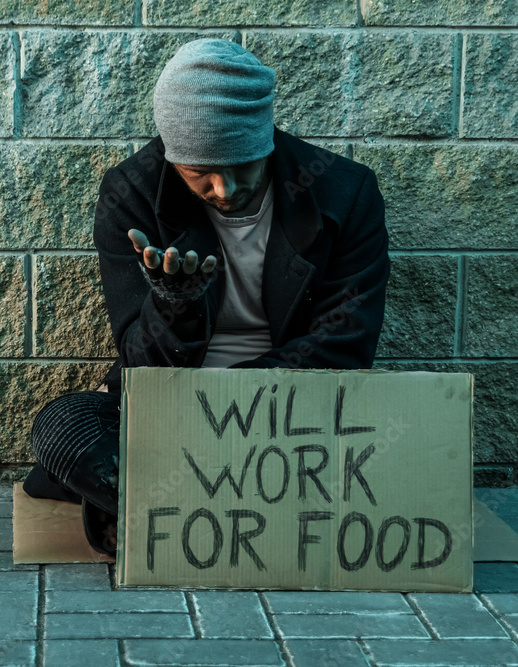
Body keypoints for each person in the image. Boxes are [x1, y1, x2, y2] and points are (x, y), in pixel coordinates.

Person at [24, 38, 390, 554]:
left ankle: (163, 513)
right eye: (200, 174)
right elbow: (137, 361)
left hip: (289, 417)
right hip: (167, 409)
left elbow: (346, 346)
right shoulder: (132, 193)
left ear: (265, 141)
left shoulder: (344, 193)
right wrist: (175, 308)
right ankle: (216, 504)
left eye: (242, 166)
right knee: (61, 427)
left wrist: (223, 406)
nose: (224, 189)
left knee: (402, 440)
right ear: (175, 160)